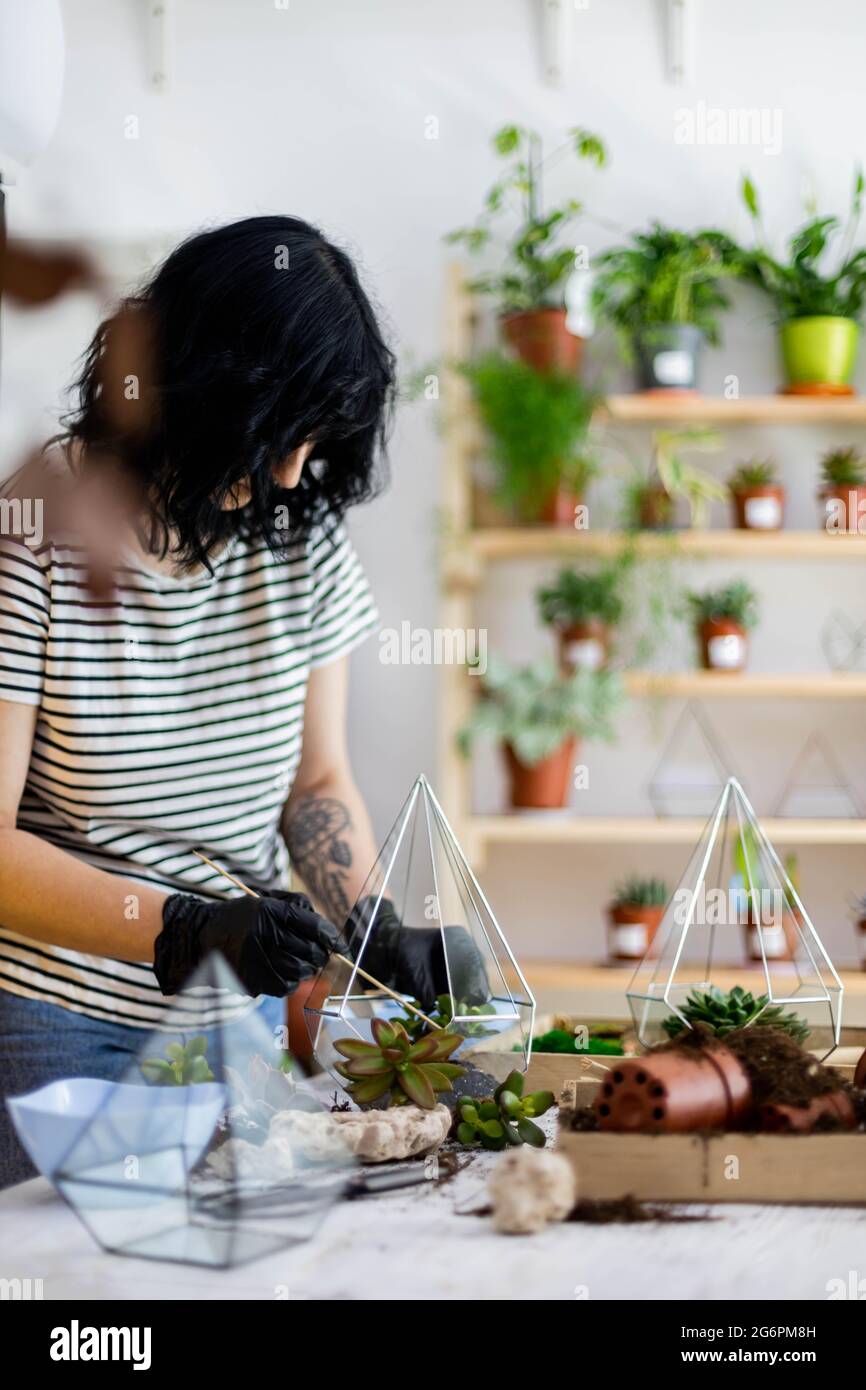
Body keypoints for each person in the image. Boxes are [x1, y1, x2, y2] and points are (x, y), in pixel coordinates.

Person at [0, 216, 454, 1187]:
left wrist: (373, 926)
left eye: (311, 442)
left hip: (230, 1032)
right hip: (52, 1030)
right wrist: (180, 927)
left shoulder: (299, 538)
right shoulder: (36, 533)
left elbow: (314, 782)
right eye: (276, 435)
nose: (292, 472)